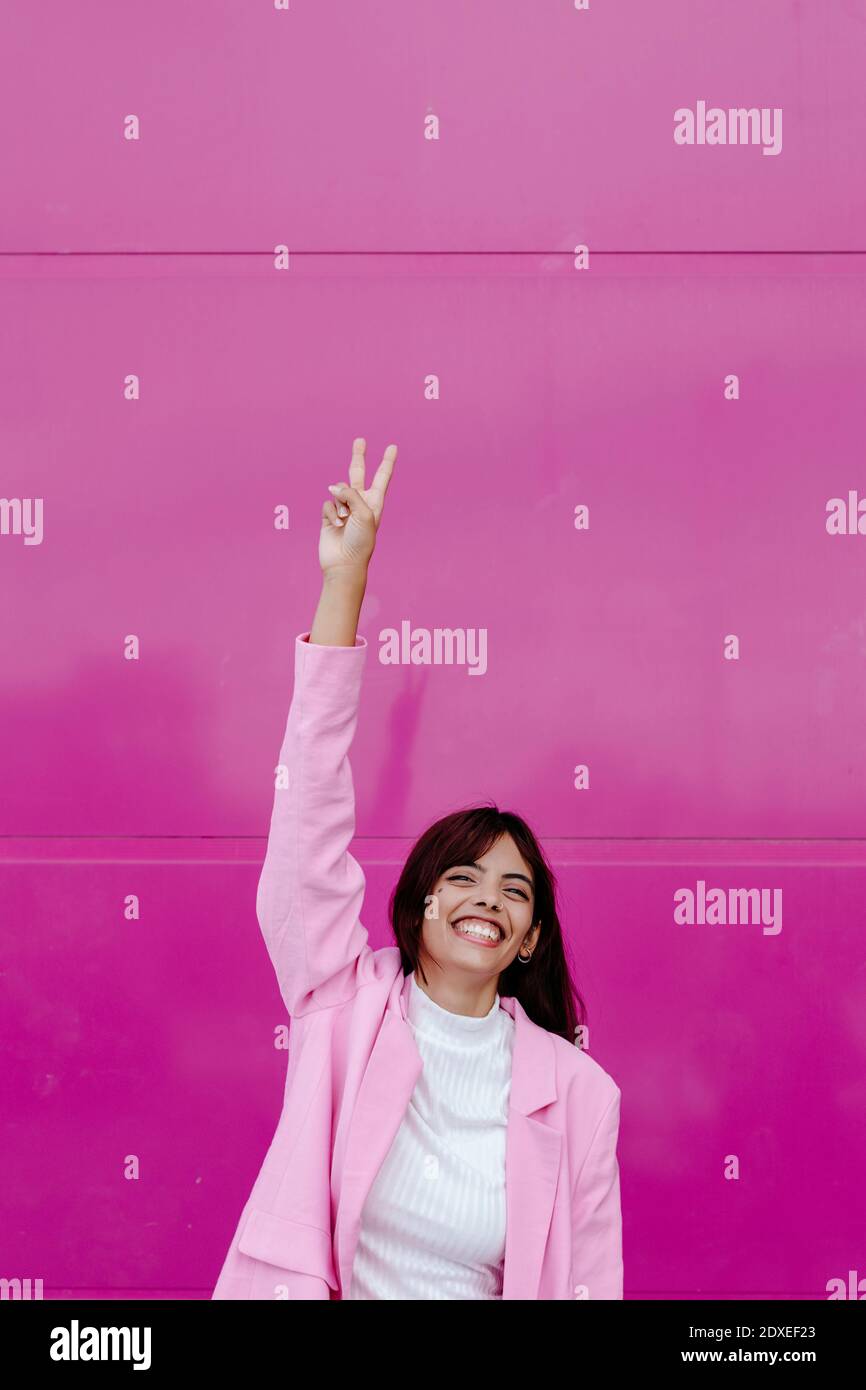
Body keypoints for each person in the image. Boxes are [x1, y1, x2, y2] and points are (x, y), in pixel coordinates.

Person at [212, 438, 622, 1301]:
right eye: (465, 878)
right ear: (423, 904)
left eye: (515, 891)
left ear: (529, 937)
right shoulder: (341, 1004)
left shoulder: (580, 1094)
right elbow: (308, 818)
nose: (488, 901)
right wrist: (344, 581)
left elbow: (588, 1289)